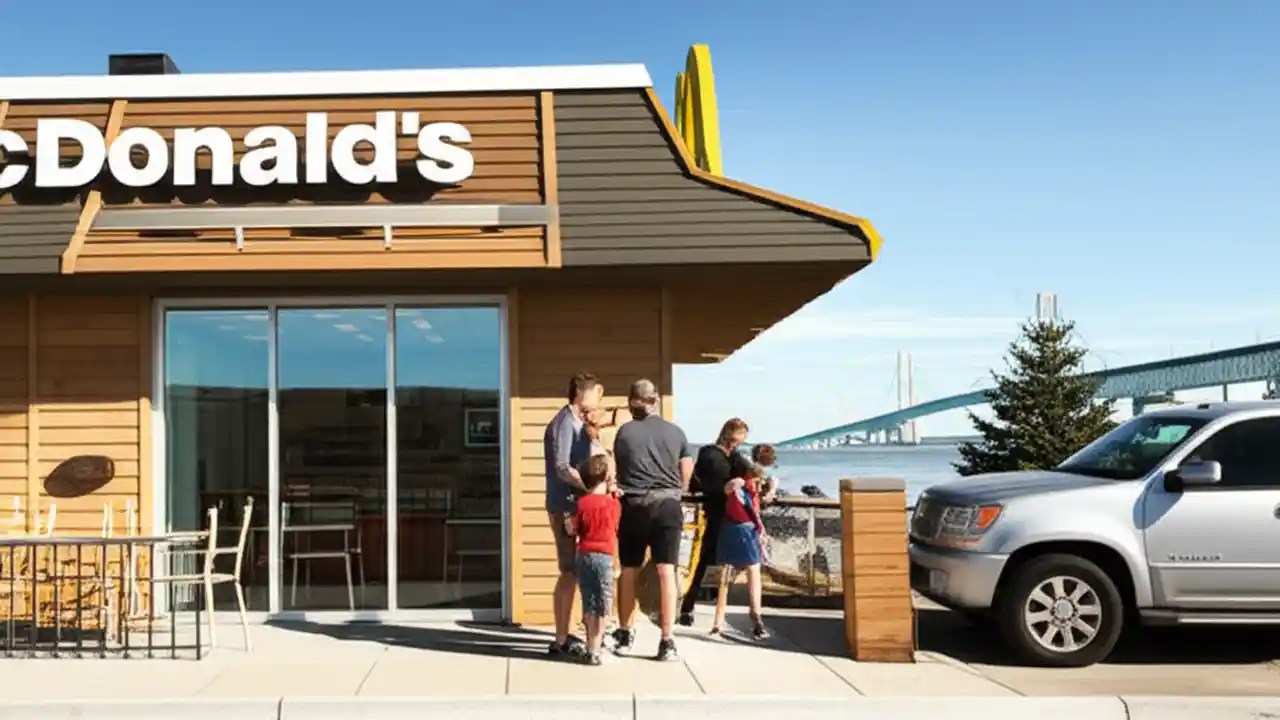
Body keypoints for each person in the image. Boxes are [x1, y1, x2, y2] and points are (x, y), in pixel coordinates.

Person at [611, 378, 694, 661]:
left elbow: (622, 469)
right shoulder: (676, 432)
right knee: (666, 571)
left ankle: (625, 632)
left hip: (634, 504)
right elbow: (686, 469)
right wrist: (678, 490)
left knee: (629, 569)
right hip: (668, 504)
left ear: (632, 403)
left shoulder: (625, 432)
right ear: (655, 400)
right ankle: (667, 640)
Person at [542, 371, 600, 659]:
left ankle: (570, 631)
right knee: (569, 570)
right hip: (565, 505)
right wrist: (588, 486)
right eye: (595, 393)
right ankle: (560, 639)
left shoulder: (580, 423)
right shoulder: (564, 423)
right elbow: (562, 467)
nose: (598, 399)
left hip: (578, 505)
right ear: (580, 393)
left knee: (579, 569)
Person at [678, 418, 751, 627]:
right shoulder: (713, 455)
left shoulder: (730, 456)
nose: (737, 444)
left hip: (724, 513)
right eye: (737, 439)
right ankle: (690, 604)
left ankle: (696, 605)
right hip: (717, 512)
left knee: (709, 561)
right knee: (705, 561)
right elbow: (714, 482)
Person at [565, 454, 622, 666]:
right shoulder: (613, 504)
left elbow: (573, 529)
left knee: (588, 601)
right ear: (606, 477)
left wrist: (567, 520)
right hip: (605, 557)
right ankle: (597, 648)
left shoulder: (582, 504)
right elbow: (616, 528)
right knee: (603, 604)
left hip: (585, 555)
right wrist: (614, 494)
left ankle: (589, 646)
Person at [710, 460, 771, 640]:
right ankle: (756, 618)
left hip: (733, 527)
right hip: (747, 529)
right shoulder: (746, 486)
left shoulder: (743, 486)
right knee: (752, 573)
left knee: (726, 575)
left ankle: (718, 622)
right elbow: (730, 489)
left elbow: (728, 489)